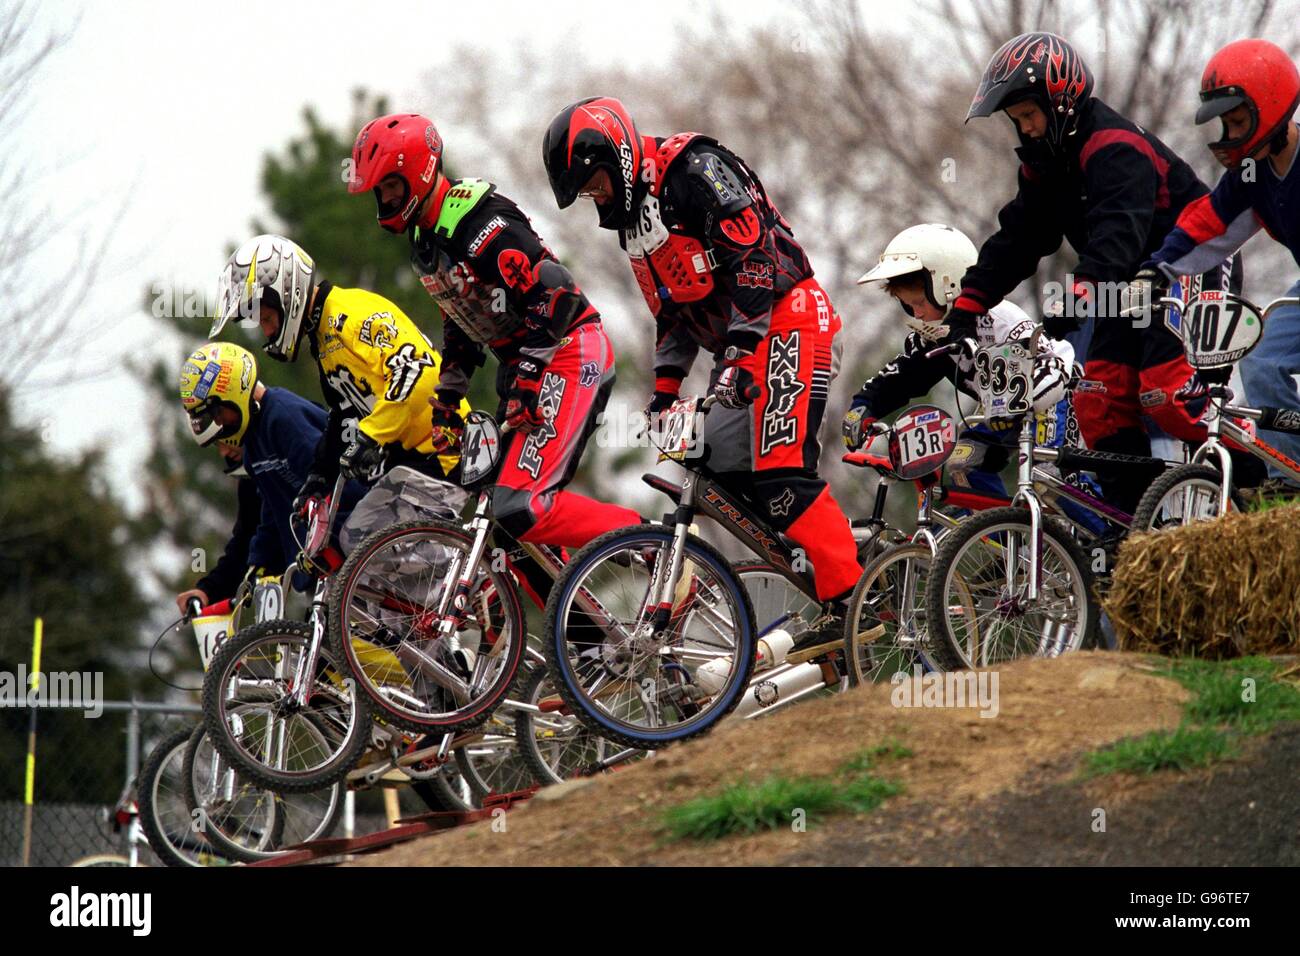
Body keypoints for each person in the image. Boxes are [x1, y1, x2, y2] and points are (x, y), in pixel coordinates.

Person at [542, 96, 863, 649]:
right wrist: (663, 396)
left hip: (788, 322)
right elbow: (673, 316)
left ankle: (854, 603)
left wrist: (738, 354)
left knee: (780, 471)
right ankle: (826, 550)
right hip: (740, 348)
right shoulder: (636, 225)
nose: (593, 196)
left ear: (613, 154)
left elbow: (757, 261)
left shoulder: (694, 168)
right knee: (704, 456)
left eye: (592, 182)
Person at [956, 31, 1242, 513]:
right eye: (1017, 120)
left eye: (1029, 115)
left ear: (1061, 102)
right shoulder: (1047, 164)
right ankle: (1138, 536)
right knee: (1098, 404)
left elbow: (1117, 238)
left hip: (1190, 262)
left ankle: (1260, 483)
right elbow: (1020, 237)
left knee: (1167, 394)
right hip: (1125, 289)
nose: (1024, 129)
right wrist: (966, 306)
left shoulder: (1114, 146)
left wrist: (1075, 300)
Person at [345, 113, 640, 554]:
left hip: (571, 351)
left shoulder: (475, 221)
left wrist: (526, 381)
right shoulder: (428, 242)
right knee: (499, 525)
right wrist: (446, 398)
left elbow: (555, 291)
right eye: (379, 190)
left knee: (521, 507)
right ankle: (582, 625)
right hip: (531, 367)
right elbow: (462, 325)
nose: (384, 199)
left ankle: (658, 540)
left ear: (418, 172)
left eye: (390, 185)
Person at [842, 223, 1106, 533]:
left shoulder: (1000, 318)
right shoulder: (934, 337)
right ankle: (1013, 543)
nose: (917, 314)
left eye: (920, 303)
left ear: (947, 285)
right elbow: (904, 375)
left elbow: (1050, 368)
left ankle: (1111, 540)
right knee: (963, 463)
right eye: (909, 306)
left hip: (1055, 394)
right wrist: (865, 404)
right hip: (1003, 410)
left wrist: (1017, 408)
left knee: (1048, 475)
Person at [1139, 38, 1300, 498]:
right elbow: (1207, 224)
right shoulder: (1251, 176)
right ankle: (1289, 483)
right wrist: (1157, 271)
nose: (1228, 135)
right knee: (1262, 356)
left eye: (1236, 121)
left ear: (1269, 107)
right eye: (1225, 124)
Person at [211, 234, 469, 515]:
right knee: (354, 537)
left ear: (287, 294)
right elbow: (343, 414)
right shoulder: (323, 334)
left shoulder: (349, 314)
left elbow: (418, 371)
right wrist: (319, 475)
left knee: (367, 536)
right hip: (411, 458)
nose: (268, 332)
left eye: (267, 319)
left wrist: (371, 436)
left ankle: (466, 558)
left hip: (446, 446)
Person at [176, 342, 363, 598]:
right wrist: (258, 564)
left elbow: (339, 484)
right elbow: (273, 512)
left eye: (217, 412)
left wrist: (332, 544)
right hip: (324, 566)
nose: (218, 422)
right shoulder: (253, 444)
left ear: (234, 393)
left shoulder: (284, 418)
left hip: (352, 551)